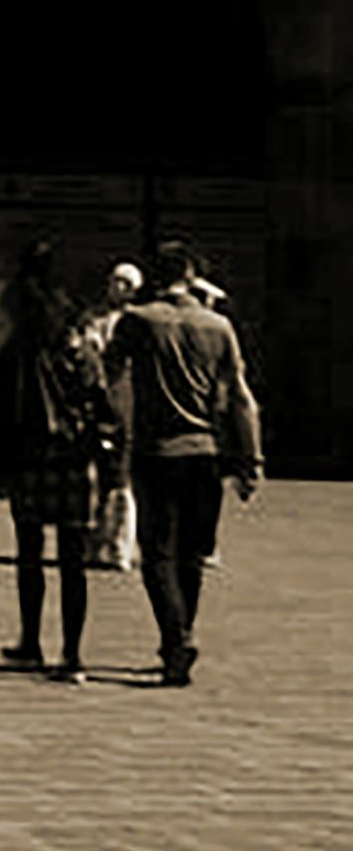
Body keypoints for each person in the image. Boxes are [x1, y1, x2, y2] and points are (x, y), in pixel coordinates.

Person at [0, 238, 124, 681]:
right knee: (73, 562)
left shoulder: (19, 353)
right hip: (75, 461)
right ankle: (72, 655)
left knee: (29, 554)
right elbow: (105, 407)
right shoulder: (83, 355)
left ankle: (30, 642)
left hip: (31, 459)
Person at [107, 240, 262, 686]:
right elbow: (240, 396)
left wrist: (117, 427)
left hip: (154, 452)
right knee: (192, 554)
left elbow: (109, 375)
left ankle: (175, 638)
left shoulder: (137, 321)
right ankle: (182, 633)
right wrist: (251, 459)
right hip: (205, 454)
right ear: (191, 277)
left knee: (157, 552)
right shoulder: (218, 326)